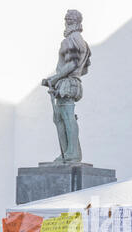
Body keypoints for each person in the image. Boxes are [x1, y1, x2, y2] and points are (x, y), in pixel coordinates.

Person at [42, 9, 91, 163]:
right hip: (74, 82)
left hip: (67, 83)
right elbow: (84, 68)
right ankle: (70, 152)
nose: (65, 22)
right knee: (64, 118)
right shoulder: (83, 42)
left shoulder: (69, 40)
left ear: (70, 22)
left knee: (66, 118)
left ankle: (71, 153)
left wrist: (55, 78)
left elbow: (72, 63)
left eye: (66, 20)